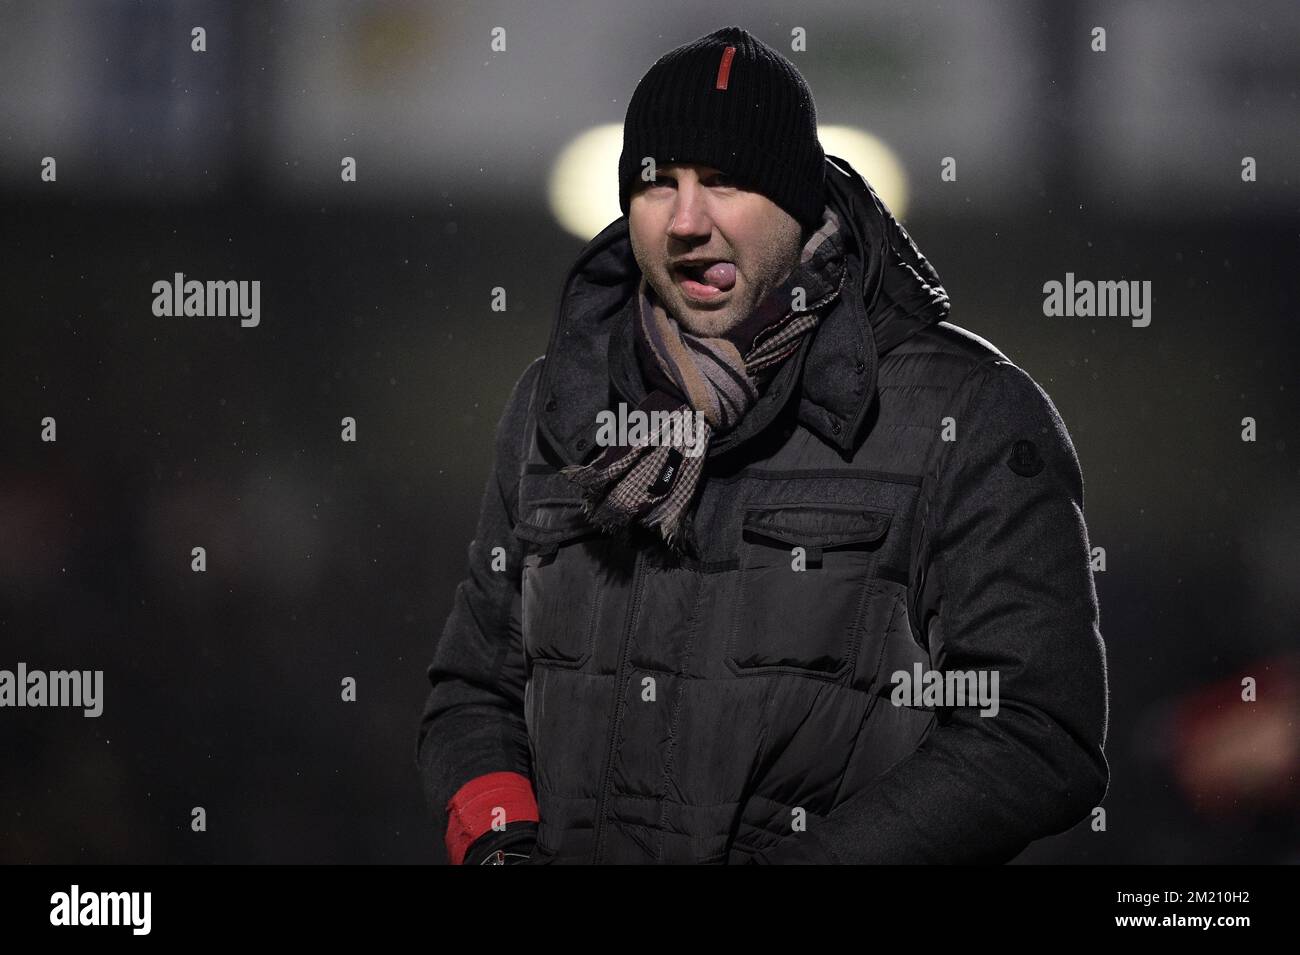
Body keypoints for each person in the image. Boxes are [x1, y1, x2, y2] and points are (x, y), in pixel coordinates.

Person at [416, 25, 1109, 865]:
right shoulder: (556, 403)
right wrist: (499, 850)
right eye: (655, 184)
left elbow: (1036, 732)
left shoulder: (968, 413)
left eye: (725, 181)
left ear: (797, 201)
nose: (685, 220)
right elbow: (474, 687)